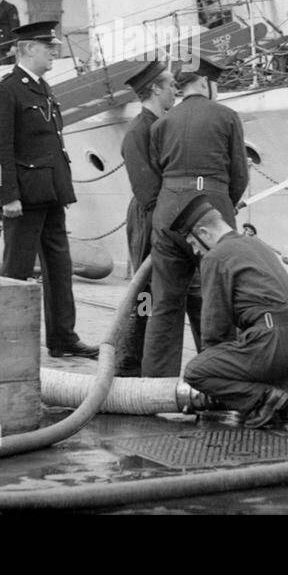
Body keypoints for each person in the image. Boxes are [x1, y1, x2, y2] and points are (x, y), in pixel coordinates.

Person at [0, 21, 97, 359]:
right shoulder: (6, 90)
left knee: (60, 268)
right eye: (48, 47)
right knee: (17, 271)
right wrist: (7, 196)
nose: (54, 51)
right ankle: (8, 342)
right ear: (28, 48)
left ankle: (63, 338)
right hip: (25, 197)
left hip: (51, 193)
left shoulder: (42, 87)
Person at [142, 56, 248, 378]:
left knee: (164, 303)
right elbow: (239, 175)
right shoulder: (227, 117)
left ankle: (154, 386)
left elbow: (158, 170)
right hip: (209, 212)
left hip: (168, 210)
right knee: (216, 298)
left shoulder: (161, 123)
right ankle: (218, 378)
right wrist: (222, 206)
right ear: (204, 82)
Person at [172, 193, 288, 429]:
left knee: (196, 371)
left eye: (193, 243)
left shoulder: (215, 257)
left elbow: (214, 328)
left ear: (205, 233)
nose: (197, 251)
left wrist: (214, 376)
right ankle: (270, 398)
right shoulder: (256, 244)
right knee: (239, 355)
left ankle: (265, 400)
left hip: (273, 346)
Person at [117, 59, 202, 377]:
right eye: (169, 84)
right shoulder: (139, 132)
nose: (174, 90)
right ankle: (129, 365)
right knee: (146, 292)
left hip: (171, 216)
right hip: (152, 219)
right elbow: (149, 192)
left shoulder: (162, 126)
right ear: (154, 89)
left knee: (186, 291)